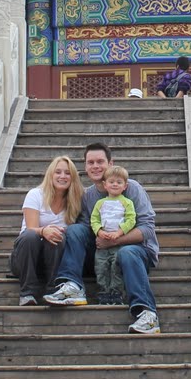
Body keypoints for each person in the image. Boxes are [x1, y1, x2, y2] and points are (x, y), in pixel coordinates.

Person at [44, 142, 162, 334]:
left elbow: (147, 228)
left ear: (110, 163)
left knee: (127, 252)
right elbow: (86, 226)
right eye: (91, 162)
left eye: (100, 161)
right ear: (85, 166)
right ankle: (72, 285)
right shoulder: (88, 195)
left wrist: (116, 240)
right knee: (75, 230)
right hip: (102, 252)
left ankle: (147, 314)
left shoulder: (131, 188)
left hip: (136, 252)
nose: (95, 166)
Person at [9, 156, 83, 306]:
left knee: (58, 237)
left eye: (67, 173)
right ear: (51, 174)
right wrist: (43, 231)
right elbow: (30, 228)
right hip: (26, 258)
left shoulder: (76, 201)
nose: (62, 176)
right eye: (58, 172)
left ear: (73, 177)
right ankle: (27, 293)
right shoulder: (35, 194)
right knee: (31, 235)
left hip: (54, 258)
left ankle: (53, 291)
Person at [90, 164, 136, 302]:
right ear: (105, 185)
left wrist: (120, 232)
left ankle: (116, 292)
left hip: (118, 242)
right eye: (111, 182)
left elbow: (131, 219)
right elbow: (94, 219)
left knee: (116, 266)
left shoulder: (127, 202)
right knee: (101, 266)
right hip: (103, 242)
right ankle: (103, 291)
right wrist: (99, 231)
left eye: (119, 182)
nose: (115, 185)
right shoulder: (100, 203)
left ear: (125, 186)